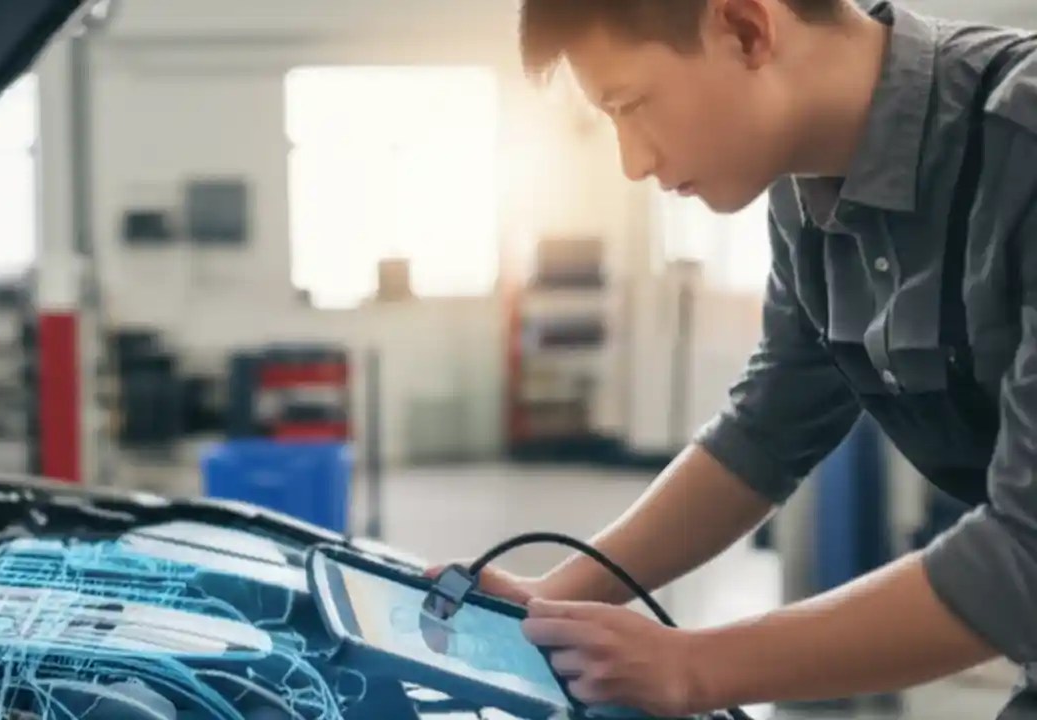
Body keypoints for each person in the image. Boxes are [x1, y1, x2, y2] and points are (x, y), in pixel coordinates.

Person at [430, 1, 1037, 718]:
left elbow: (1025, 553)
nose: (634, 161)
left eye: (632, 105)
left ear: (746, 29)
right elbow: (767, 428)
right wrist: (555, 598)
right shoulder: (804, 191)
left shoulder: (1021, 137)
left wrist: (695, 667)